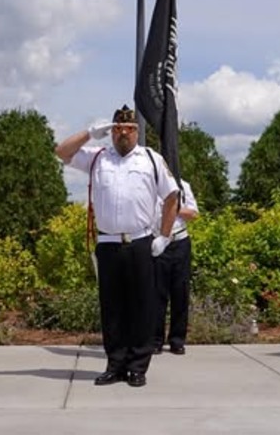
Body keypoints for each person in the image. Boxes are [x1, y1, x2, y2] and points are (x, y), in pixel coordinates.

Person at [55, 105, 179, 388]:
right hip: (108, 243)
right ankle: (115, 364)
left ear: (137, 131)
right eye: (118, 129)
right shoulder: (98, 157)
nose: (124, 133)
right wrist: (89, 133)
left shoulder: (151, 158)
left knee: (141, 307)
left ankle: (137, 366)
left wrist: (164, 236)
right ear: (111, 132)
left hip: (140, 242)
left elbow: (172, 197)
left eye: (130, 128)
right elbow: (61, 152)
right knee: (112, 308)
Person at [152, 178, 198, 355]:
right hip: (156, 242)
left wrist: (175, 208)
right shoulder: (150, 186)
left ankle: (177, 340)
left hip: (179, 242)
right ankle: (155, 340)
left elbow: (193, 214)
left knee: (180, 292)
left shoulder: (183, 186)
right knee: (156, 293)